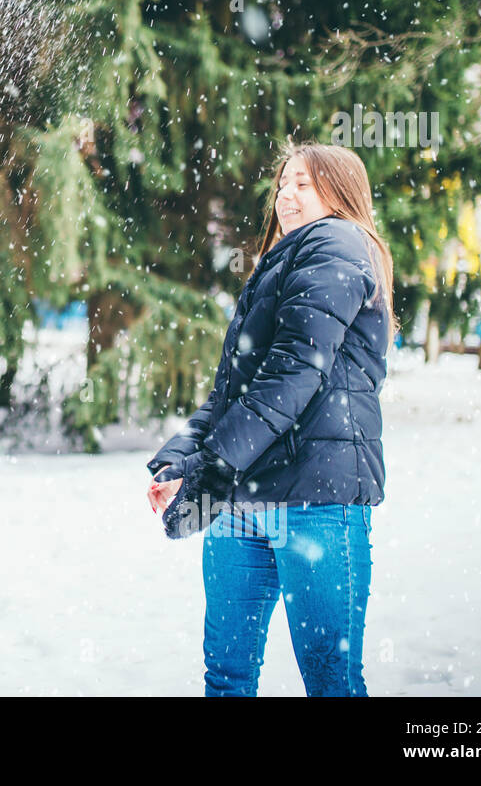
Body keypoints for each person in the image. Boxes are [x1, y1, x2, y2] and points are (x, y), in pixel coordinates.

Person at [146, 140, 396, 697]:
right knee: (229, 675)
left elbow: (294, 372)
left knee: (327, 681)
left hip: (316, 500)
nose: (287, 194)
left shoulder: (338, 242)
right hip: (245, 500)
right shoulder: (280, 264)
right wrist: (179, 462)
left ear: (342, 192)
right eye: (283, 184)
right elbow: (233, 392)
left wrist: (211, 469)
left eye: (304, 183)